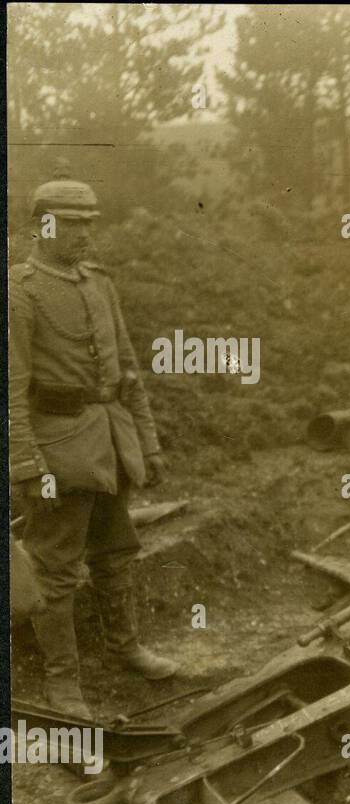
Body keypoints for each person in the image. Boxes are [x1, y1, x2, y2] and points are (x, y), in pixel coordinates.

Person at [9, 171, 178, 719]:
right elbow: (11, 388)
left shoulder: (98, 282)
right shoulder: (21, 292)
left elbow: (127, 370)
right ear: (43, 224)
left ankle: (124, 647)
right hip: (59, 450)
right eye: (73, 223)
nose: (85, 233)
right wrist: (27, 462)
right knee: (55, 567)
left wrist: (147, 442)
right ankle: (63, 682)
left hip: (110, 439)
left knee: (116, 551)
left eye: (89, 223)